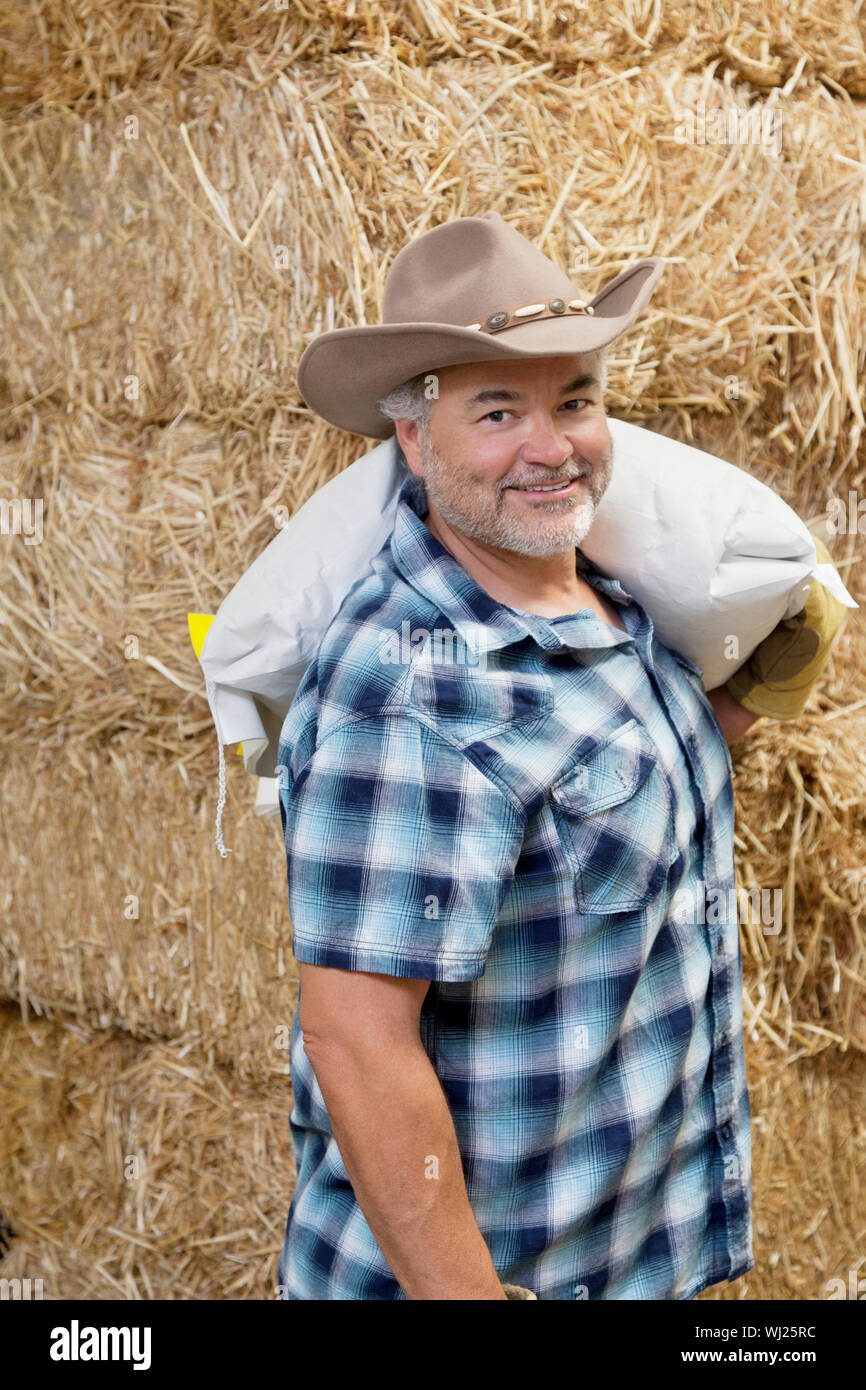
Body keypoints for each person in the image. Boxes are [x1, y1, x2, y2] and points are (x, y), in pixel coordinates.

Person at [274, 212, 846, 1300]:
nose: (551, 446)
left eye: (574, 401)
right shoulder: (412, 697)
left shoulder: (597, 591)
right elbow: (357, 1041)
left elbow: (584, 799)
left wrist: (745, 697)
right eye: (498, 412)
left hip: (623, 1256)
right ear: (413, 439)